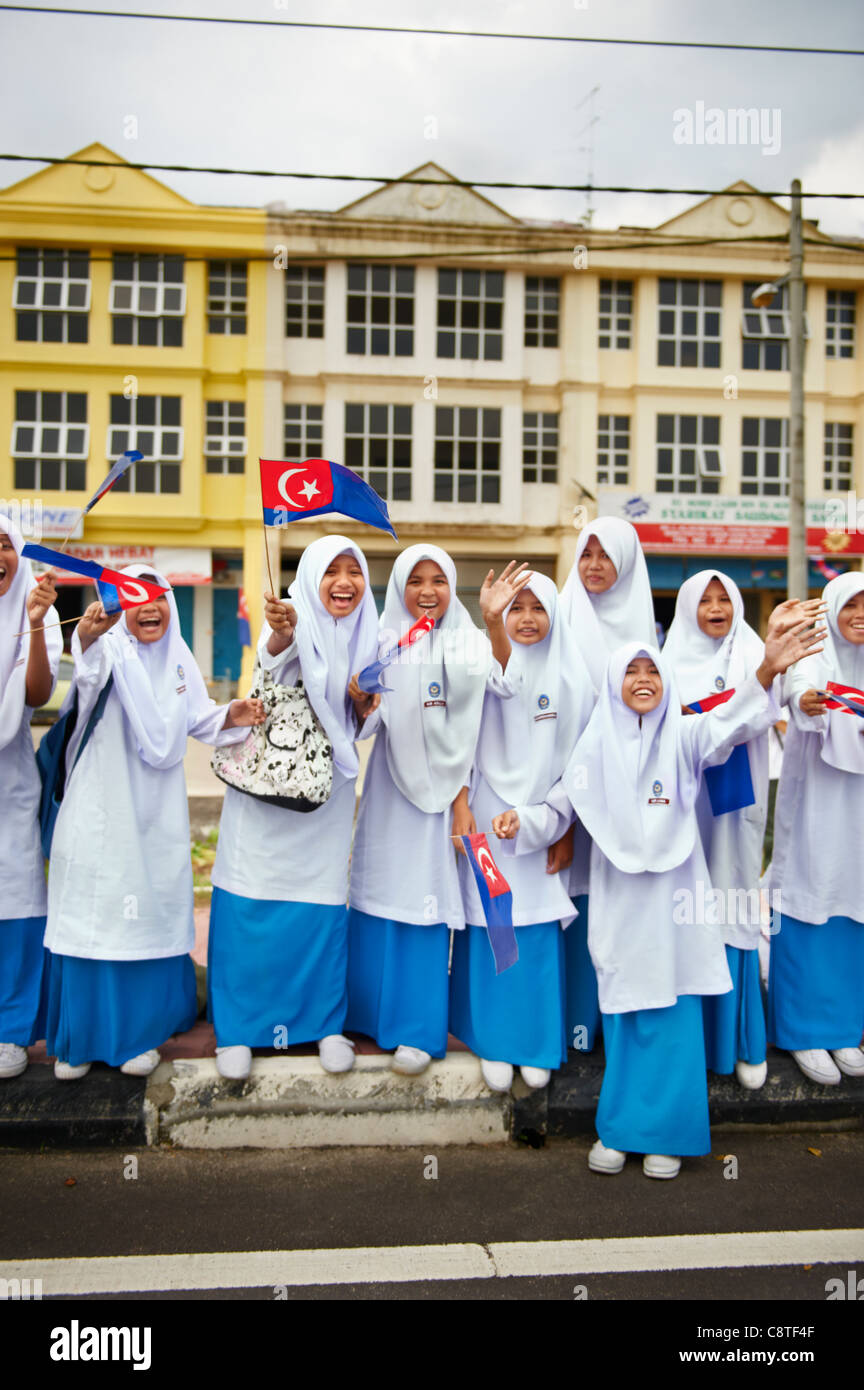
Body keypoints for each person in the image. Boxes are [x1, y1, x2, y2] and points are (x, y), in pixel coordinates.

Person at [493, 618, 821, 1179]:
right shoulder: (592, 748)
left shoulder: (685, 736)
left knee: (673, 1012)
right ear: (614, 682)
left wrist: (766, 669)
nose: (643, 680)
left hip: (676, 908)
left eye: (652, 671)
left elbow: (729, 723)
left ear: (665, 680)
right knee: (626, 1012)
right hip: (621, 906)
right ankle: (619, 1132)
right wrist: (517, 823)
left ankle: (669, 1135)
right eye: (631, 672)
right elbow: (557, 810)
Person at [44, 567, 263, 1080]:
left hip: (155, 813)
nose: (149, 607)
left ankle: (139, 1035)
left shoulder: (178, 660)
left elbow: (196, 719)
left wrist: (234, 713)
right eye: (134, 596)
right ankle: (80, 1041)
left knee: (144, 913)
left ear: (171, 603)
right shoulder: (110, 650)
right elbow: (89, 675)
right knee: (97, 914)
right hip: (100, 806)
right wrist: (89, 636)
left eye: (158, 596)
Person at [345, 546, 529, 1075]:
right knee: (379, 892)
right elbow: (367, 724)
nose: (427, 591)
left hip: (445, 801)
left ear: (452, 588)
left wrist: (495, 623)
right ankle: (367, 1017)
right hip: (389, 792)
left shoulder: (469, 643)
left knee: (425, 903)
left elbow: (503, 685)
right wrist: (362, 699)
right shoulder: (383, 643)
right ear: (399, 587)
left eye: (439, 581)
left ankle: (417, 1030)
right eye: (415, 581)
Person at [209, 537, 380, 1080]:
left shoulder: (371, 637)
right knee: (253, 902)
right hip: (266, 795)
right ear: (309, 577)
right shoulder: (288, 618)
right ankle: (238, 1029)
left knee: (319, 905)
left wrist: (361, 704)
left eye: (354, 571)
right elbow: (274, 653)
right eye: (331, 571)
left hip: (324, 796)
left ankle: (323, 1025)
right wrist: (284, 626)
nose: (344, 582)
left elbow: (369, 722)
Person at [450, 573, 594, 1092]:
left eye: (538, 607)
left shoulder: (577, 682)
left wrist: (562, 823)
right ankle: (491, 1037)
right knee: (492, 920)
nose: (528, 617)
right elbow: (461, 737)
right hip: (487, 814)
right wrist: (461, 803)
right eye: (517, 608)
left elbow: (581, 767)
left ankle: (532, 1040)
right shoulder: (485, 668)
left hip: (544, 820)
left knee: (533, 924)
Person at [663, 571, 773, 1090]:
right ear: (686, 607)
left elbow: (771, 707)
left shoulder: (754, 656)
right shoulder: (663, 662)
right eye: (703, 599)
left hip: (736, 803)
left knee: (731, 896)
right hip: (688, 800)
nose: (714, 607)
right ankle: (691, 1041)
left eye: (723, 599)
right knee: (687, 900)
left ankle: (739, 1038)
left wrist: (721, 712)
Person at [557, 517, 657, 1055]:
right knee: (571, 902)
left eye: (605, 555)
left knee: (619, 904)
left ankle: (612, 1026)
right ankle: (573, 1025)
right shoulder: (559, 618)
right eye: (586, 553)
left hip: (627, 798)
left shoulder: (644, 631)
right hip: (563, 795)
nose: (593, 565)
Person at [768, 572, 864, 1085]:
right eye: (851, 606)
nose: (860, 616)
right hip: (815, 811)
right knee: (809, 897)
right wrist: (811, 702)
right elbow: (801, 690)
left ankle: (845, 1027)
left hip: (859, 817)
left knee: (853, 902)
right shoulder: (813, 656)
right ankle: (803, 1029)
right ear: (832, 610)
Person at [0, 516, 62, 1079]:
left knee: (15, 900)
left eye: (4, 544)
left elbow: (37, 694)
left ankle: (12, 1030)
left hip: (9, 786)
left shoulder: (30, 610)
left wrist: (36, 625)